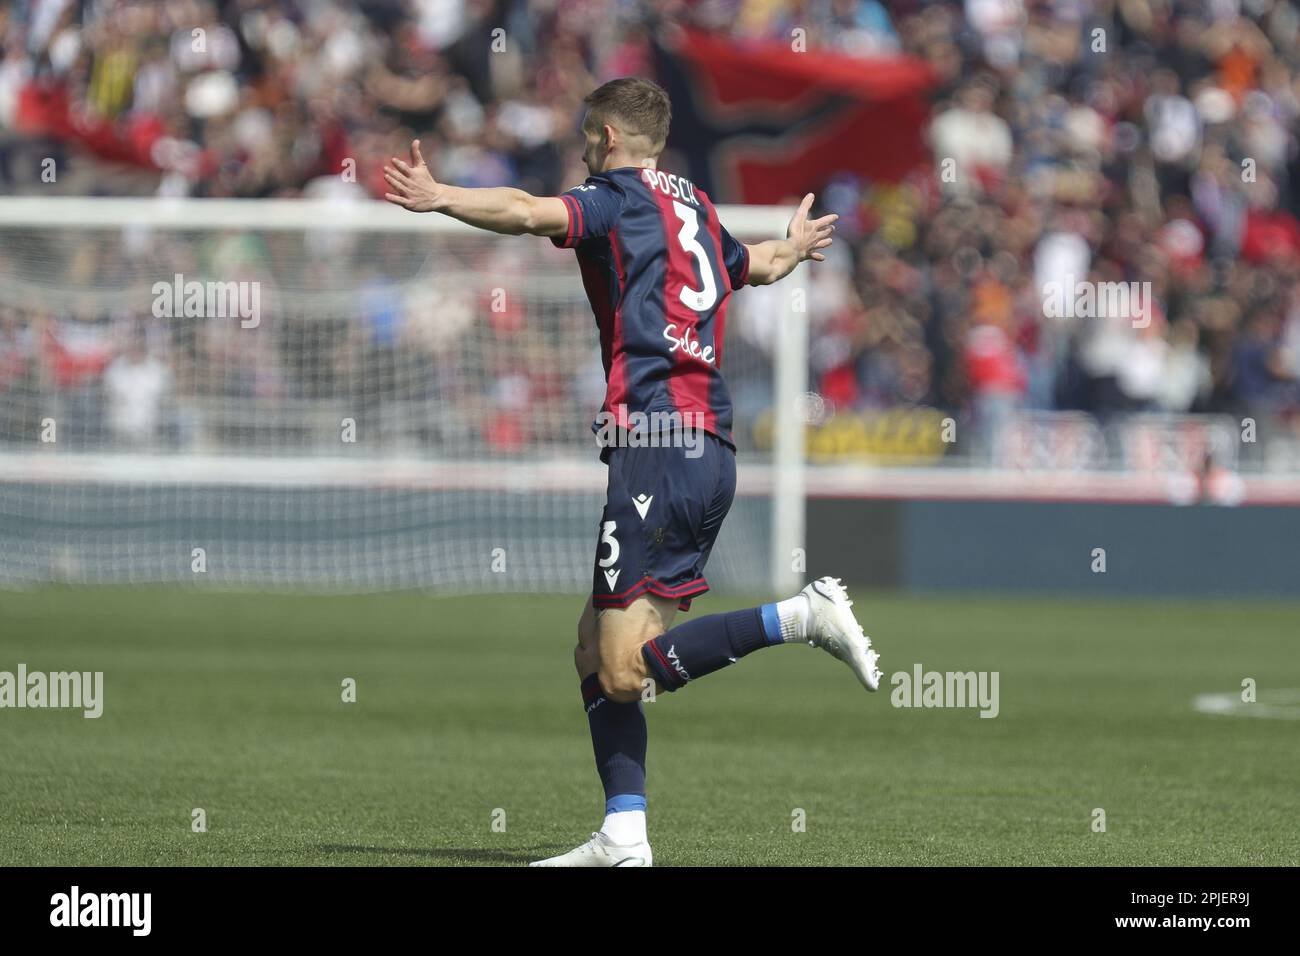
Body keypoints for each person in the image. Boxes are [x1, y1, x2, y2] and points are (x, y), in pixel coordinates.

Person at [383, 77, 881, 867]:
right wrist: (794, 245)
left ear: (608, 137)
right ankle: (623, 835)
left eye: (587, 134)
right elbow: (760, 264)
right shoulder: (697, 208)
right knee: (594, 646)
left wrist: (440, 196)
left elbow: (526, 212)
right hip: (705, 446)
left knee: (621, 672)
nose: (582, 147)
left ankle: (800, 617)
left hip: (657, 441)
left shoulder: (613, 198)